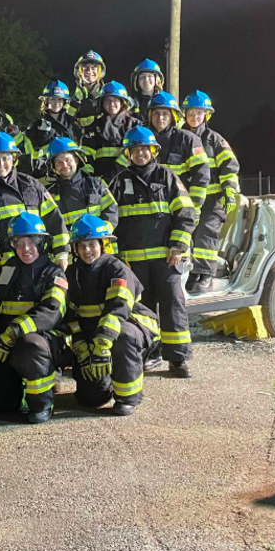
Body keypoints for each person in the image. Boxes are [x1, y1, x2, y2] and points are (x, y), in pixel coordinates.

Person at [109, 126, 197, 377]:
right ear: (128, 153)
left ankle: (177, 359)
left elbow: (185, 213)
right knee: (142, 310)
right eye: (134, 150)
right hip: (133, 262)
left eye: (144, 149)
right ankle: (149, 353)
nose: (139, 154)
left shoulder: (167, 177)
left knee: (173, 304)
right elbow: (110, 220)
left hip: (165, 258)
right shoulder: (118, 181)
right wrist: (117, 258)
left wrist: (178, 245)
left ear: (153, 151)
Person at [0, 213, 70, 424]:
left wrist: (12, 332)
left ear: (42, 242)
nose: (26, 248)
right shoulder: (5, 271)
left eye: (31, 241)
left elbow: (50, 311)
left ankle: (42, 403)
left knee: (30, 344)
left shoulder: (54, 273)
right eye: (19, 242)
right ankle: (14, 389)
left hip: (43, 343)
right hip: (5, 345)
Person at [61, 214, 161, 416]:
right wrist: (80, 344)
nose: (87, 250)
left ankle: (127, 397)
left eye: (92, 244)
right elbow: (70, 313)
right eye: (81, 245)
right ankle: (106, 382)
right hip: (93, 333)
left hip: (128, 326)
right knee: (89, 399)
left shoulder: (117, 269)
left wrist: (102, 344)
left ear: (103, 244)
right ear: (75, 249)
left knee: (124, 337)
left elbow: (118, 308)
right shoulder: (72, 273)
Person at [0, 131, 70, 270]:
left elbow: (54, 220)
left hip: (36, 267)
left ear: (14, 158)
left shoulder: (31, 184)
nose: (1, 163)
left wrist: (61, 253)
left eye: (5, 158)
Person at [181, 90, 242, 294]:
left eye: (200, 113)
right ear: (184, 113)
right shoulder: (179, 138)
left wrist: (229, 192)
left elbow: (230, 167)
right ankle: (188, 273)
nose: (195, 116)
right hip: (186, 199)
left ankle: (205, 274)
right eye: (191, 112)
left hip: (212, 200)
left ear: (206, 115)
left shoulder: (214, 140)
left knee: (205, 234)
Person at [7, 81, 82, 181]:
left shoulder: (73, 124)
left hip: (71, 177)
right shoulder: (36, 126)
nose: (56, 103)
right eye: (52, 99)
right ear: (46, 101)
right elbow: (23, 146)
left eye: (60, 99)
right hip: (45, 178)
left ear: (65, 102)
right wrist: (12, 130)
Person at [147, 91, 210, 212]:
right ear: (150, 116)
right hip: (149, 206)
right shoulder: (142, 139)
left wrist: (194, 206)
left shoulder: (188, 139)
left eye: (165, 113)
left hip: (179, 204)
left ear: (173, 116)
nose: (160, 117)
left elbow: (201, 173)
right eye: (156, 113)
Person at [44, 136, 119, 232]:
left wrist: (102, 232)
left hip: (97, 243)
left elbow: (111, 212)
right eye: (59, 162)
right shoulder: (50, 194)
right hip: (70, 245)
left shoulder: (96, 186)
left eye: (68, 160)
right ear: (53, 167)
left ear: (76, 160)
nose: (65, 165)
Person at [80, 81, 145, 185]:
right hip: (100, 182)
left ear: (122, 102)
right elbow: (87, 159)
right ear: (102, 104)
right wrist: (90, 183)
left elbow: (138, 154)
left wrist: (109, 177)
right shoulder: (93, 128)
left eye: (115, 100)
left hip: (130, 180)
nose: (111, 104)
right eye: (107, 101)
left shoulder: (135, 126)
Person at [66, 50, 106, 129]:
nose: (90, 71)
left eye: (94, 68)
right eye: (86, 68)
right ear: (79, 72)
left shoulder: (108, 96)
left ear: (100, 72)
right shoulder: (71, 99)